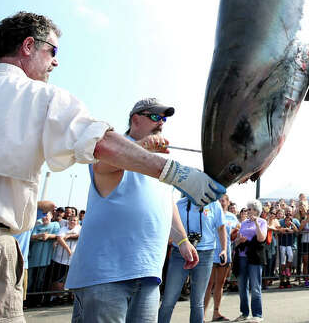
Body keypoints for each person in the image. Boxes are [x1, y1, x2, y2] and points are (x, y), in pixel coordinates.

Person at [0, 12, 223, 323]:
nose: (56, 63)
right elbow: (100, 143)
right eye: (53, 51)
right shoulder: (36, 96)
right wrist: (178, 173)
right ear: (28, 46)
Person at [67, 97, 208, 322]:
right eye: (155, 117)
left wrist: (182, 240)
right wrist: (140, 148)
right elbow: (102, 168)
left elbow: (165, 201)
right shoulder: (108, 148)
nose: (161, 123)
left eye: (163, 119)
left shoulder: (157, 162)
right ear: (135, 119)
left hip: (148, 273)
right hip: (106, 275)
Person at [159, 194, 227, 323]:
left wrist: (224, 249)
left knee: (198, 301)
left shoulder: (214, 204)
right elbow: (169, 225)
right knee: (168, 299)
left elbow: (221, 227)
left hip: (205, 254)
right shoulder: (179, 204)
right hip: (180, 252)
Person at [204, 194, 238, 322]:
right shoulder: (211, 212)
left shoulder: (232, 216)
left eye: (223, 200)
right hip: (211, 252)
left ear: (228, 202)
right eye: (218, 200)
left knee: (220, 284)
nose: (221, 202)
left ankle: (216, 313)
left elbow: (236, 229)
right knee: (208, 284)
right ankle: (202, 314)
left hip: (225, 253)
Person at [233, 200, 267, 322]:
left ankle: (257, 314)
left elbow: (261, 238)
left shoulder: (263, 222)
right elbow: (237, 240)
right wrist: (239, 241)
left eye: (250, 209)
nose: (248, 211)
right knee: (242, 286)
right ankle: (244, 313)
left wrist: (256, 223)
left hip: (255, 257)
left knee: (255, 286)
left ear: (256, 210)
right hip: (242, 256)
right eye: (247, 209)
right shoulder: (243, 223)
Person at [50, 215, 81, 295]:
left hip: (73, 260)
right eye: (71, 220)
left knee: (71, 279)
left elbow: (80, 235)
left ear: (77, 222)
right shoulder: (63, 229)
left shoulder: (79, 228)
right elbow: (59, 238)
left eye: (74, 220)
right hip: (60, 259)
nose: (72, 222)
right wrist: (68, 249)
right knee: (58, 279)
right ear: (68, 221)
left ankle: (68, 297)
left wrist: (69, 236)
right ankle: (57, 296)